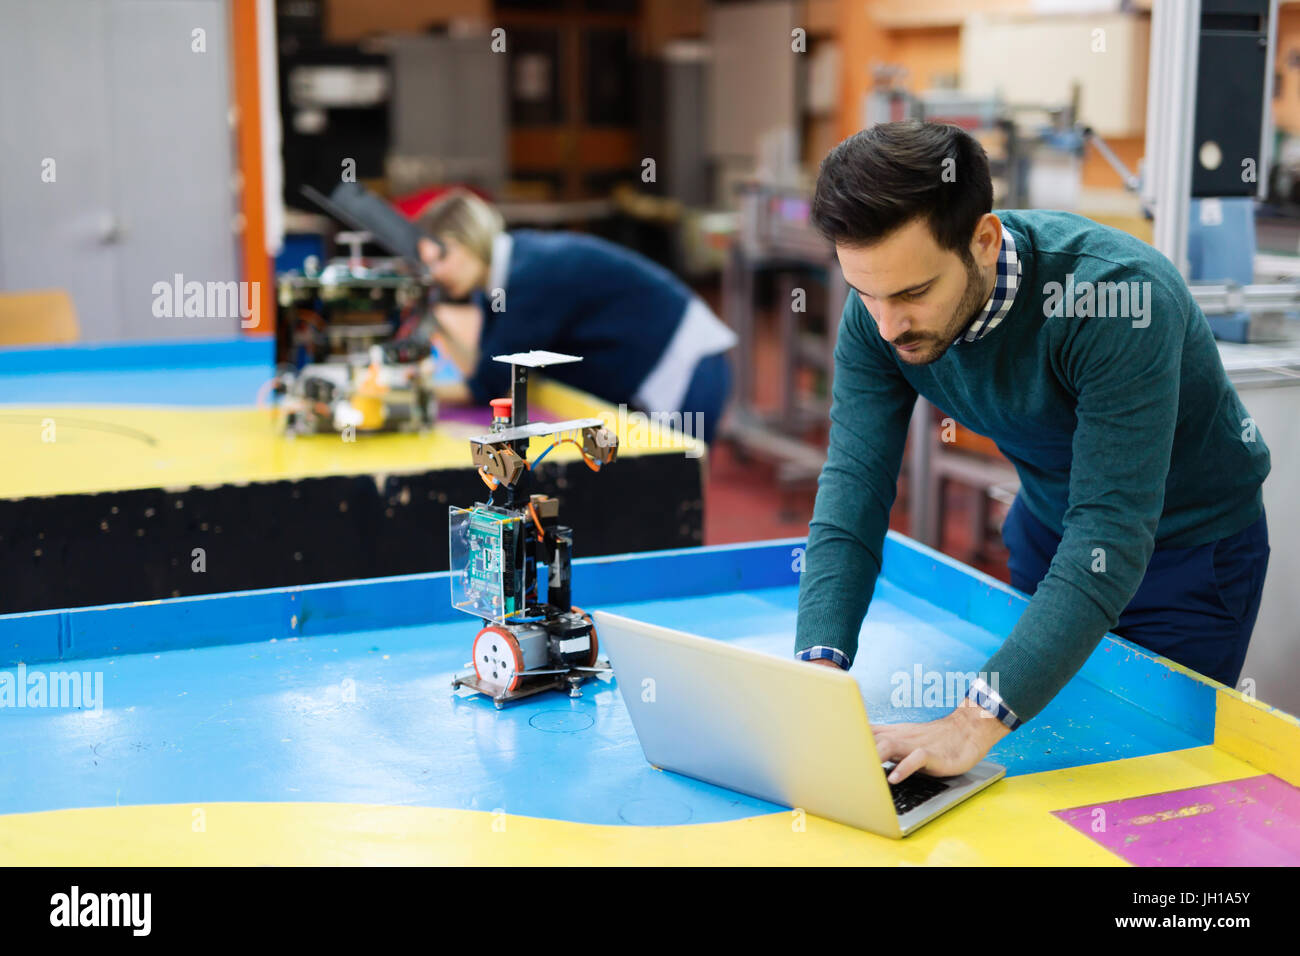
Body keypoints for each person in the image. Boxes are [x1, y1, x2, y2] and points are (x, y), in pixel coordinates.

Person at [796, 121, 1271, 784]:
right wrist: (816, 673)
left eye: (911, 294)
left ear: (984, 241)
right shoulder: (879, 313)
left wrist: (969, 722)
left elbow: (1111, 530)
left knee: (1147, 777)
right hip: (1049, 526)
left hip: (1188, 554)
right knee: (1038, 760)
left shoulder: (1116, 300)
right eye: (865, 293)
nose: (887, 325)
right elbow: (853, 484)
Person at [416, 190, 736, 445]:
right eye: (428, 264)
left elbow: (486, 387)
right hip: (650, 369)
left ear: (471, 239)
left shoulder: (530, 278)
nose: (436, 273)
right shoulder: (500, 278)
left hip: (688, 362)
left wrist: (403, 393)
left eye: (442, 256)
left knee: (674, 492)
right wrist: (432, 319)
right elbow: (482, 368)